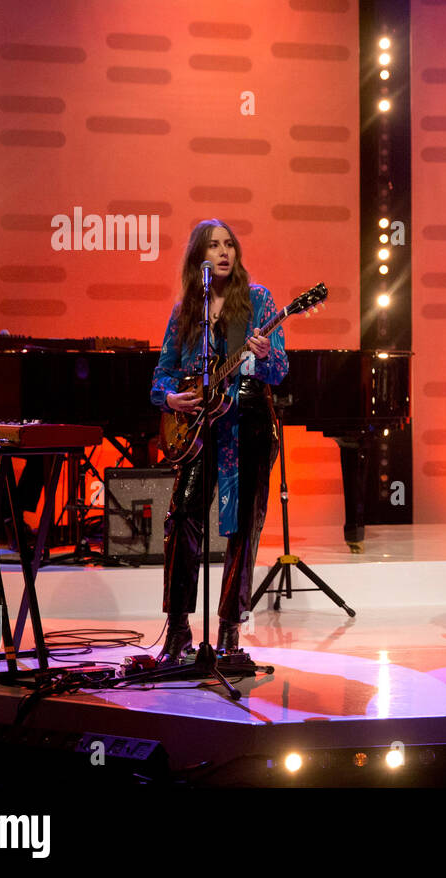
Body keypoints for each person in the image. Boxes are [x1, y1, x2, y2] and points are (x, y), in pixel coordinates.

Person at [150, 219, 288, 661]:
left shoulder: (258, 300)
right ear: (199, 257)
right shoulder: (185, 310)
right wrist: (171, 398)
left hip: (247, 423)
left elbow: (280, 369)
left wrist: (265, 356)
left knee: (244, 529)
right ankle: (177, 629)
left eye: (230, 244)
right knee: (182, 519)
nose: (224, 252)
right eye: (214, 245)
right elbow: (162, 374)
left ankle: (230, 632)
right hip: (198, 428)